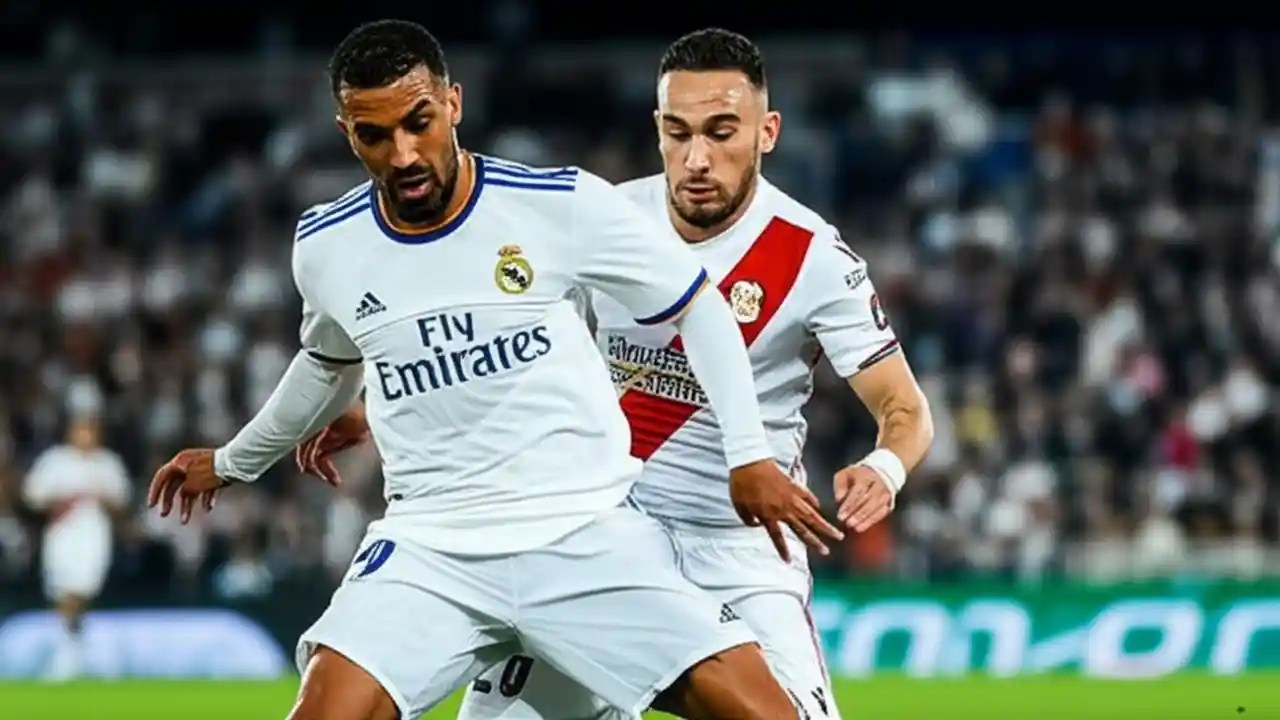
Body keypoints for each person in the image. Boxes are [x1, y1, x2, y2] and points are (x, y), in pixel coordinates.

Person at [145, 19, 841, 720]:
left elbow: (701, 308)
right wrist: (234, 462)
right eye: (375, 136)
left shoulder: (555, 204)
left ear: (453, 102)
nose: (404, 153)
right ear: (346, 132)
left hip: (585, 536)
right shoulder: (328, 244)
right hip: (431, 548)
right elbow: (328, 362)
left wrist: (748, 456)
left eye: (419, 122)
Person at [302, 27, 936, 720]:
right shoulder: (604, 215)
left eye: (722, 132)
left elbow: (904, 408)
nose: (697, 158)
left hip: (736, 547)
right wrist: (377, 407)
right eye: (678, 131)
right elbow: (519, 338)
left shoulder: (811, 255)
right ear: (657, 129)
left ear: (767, 132)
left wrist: (884, 467)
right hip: (593, 535)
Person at [23, 413, 132, 681]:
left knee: (82, 591)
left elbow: (122, 502)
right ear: (71, 431)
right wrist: (60, 498)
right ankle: (69, 652)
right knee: (63, 591)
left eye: (91, 430)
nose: (86, 435)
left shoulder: (108, 464)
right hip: (62, 535)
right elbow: (32, 497)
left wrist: (101, 497)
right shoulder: (55, 461)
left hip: (93, 536)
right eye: (81, 429)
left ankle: (72, 650)